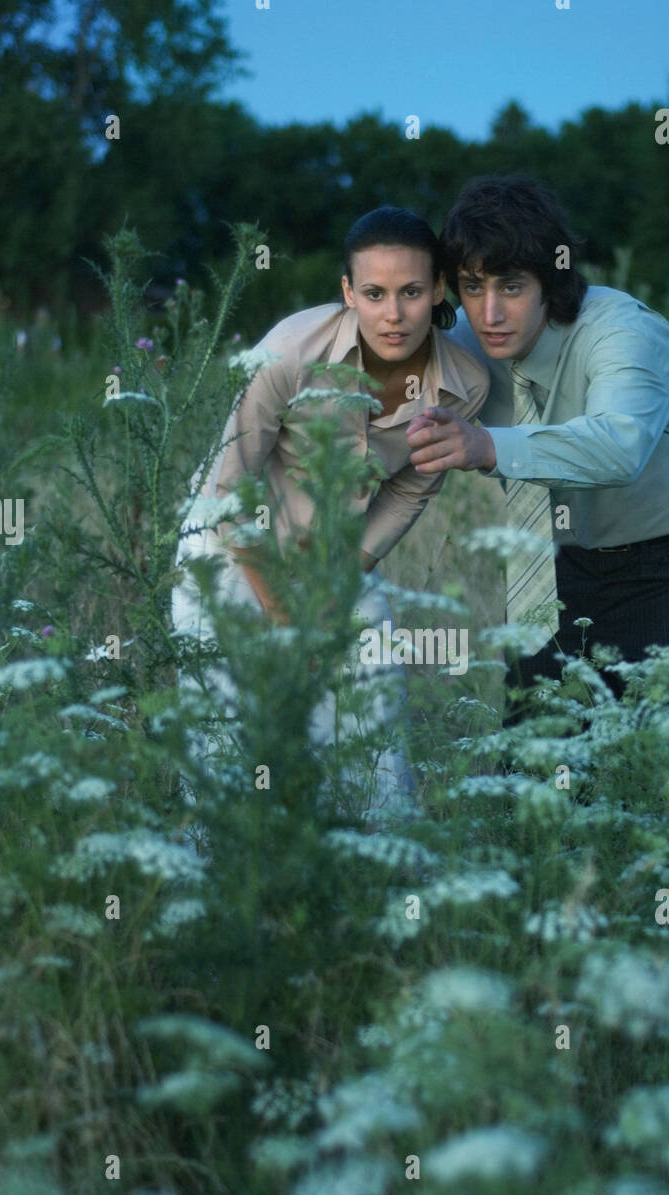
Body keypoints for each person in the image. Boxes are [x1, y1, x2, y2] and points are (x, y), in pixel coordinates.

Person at [172, 205, 490, 816]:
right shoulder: (290, 351)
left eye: (411, 292)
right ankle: (218, 879)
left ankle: (382, 877)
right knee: (225, 735)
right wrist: (288, 615)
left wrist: (336, 585)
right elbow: (229, 491)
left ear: (439, 290)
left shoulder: (465, 382)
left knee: (370, 715)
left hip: (334, 560)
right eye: (373, 293)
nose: (393, 314)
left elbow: (409, 490)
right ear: (348, 292)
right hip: (227, 546)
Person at [405, 175, 669, 722]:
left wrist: (488, 445)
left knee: (652, 766)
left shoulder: (622, 331)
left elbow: (617, 447)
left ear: (551, 281)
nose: (489, 314)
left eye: (511, 287)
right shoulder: (463, 345)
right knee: (533, 765)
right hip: (559, 562)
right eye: (472, 287)